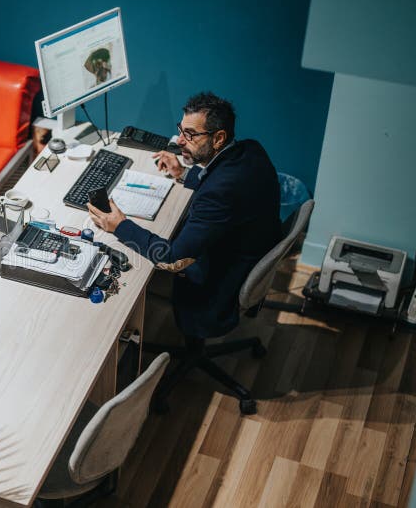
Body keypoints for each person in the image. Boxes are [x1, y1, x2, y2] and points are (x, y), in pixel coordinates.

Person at [87, 92, 282, 339]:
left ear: (219, 138)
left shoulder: (219, 194)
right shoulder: (250, 150)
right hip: (243, 251)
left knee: (126, 271)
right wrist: (183, 173)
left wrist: (120, 226)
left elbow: (171, 258)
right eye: (181, 130)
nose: (179, 140)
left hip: (216, 288)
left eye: (190, 135)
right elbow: (226, 187)